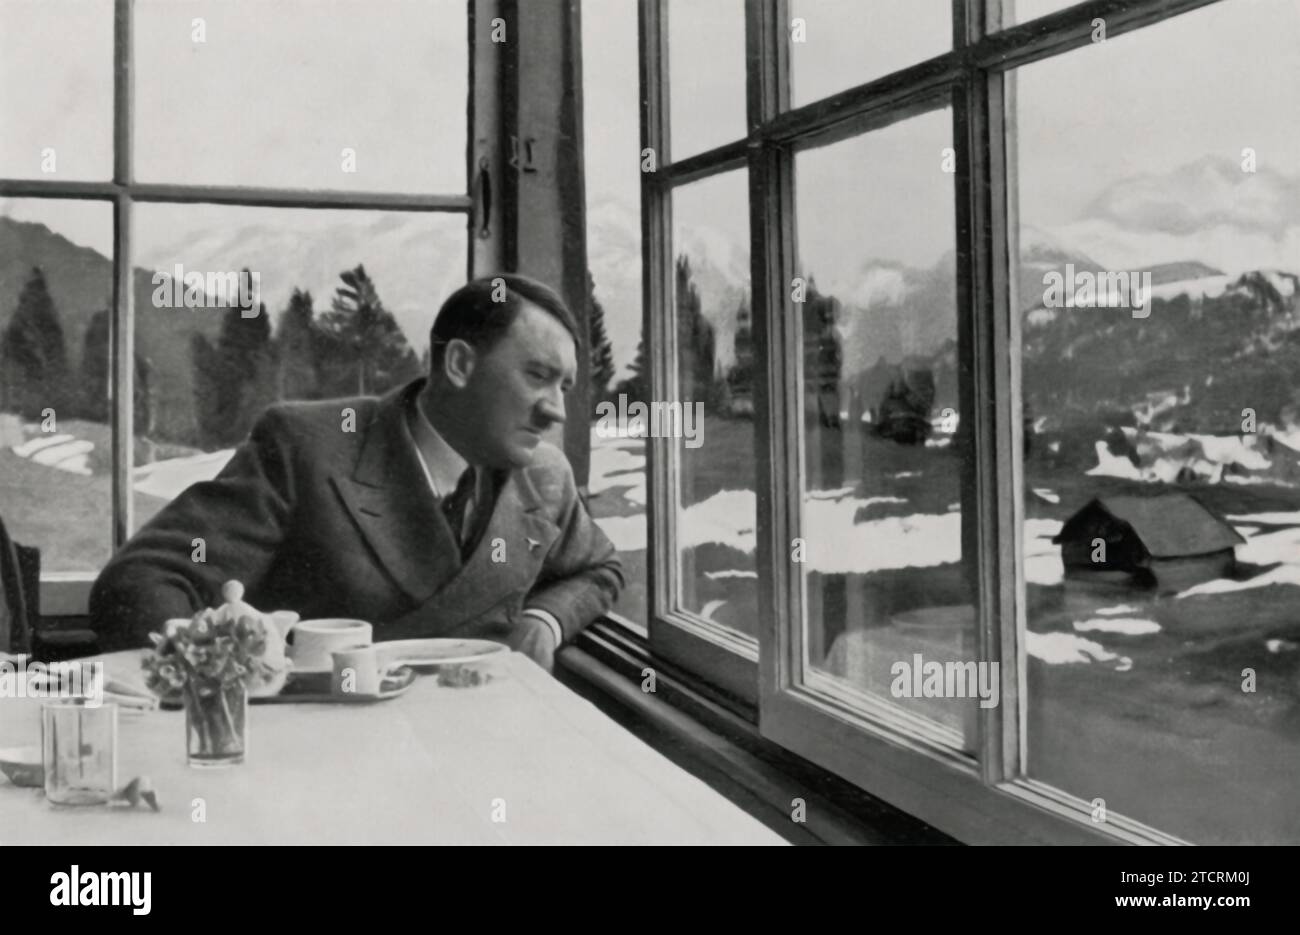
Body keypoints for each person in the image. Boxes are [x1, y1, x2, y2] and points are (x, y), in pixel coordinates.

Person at [89, 274, 623, 672]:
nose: (556, 410)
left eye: (565, 388)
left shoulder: (544, 477)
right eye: (537, 376)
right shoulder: (307, 447)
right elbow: (139, 582)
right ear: (460, 365)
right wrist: (207, 657)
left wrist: (545, 621)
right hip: (316, 770)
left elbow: (598, 570)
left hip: (478, 756)